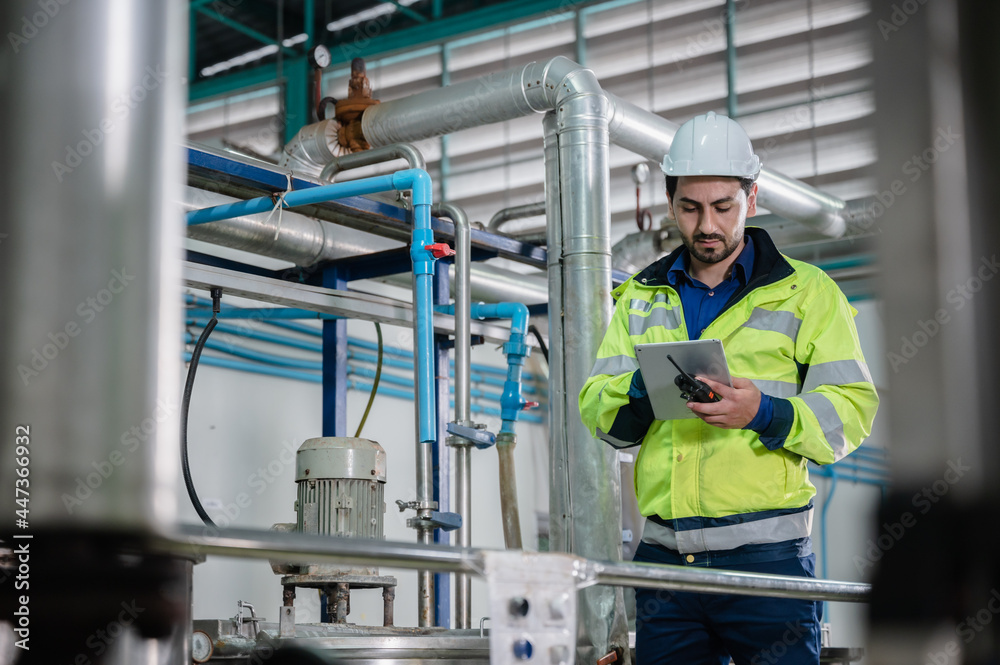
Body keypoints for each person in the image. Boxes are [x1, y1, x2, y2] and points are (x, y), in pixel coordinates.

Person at [579, 111, 878, 664]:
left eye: (724, 207)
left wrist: (763, 412)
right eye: (691, 208)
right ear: (671, 205)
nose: (707, 225)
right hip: (666, 562)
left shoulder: (809, 294)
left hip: (767, 561)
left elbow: (851, 411)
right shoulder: (639, 299)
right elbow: (599, 410)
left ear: (753, 199)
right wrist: (645, 391)